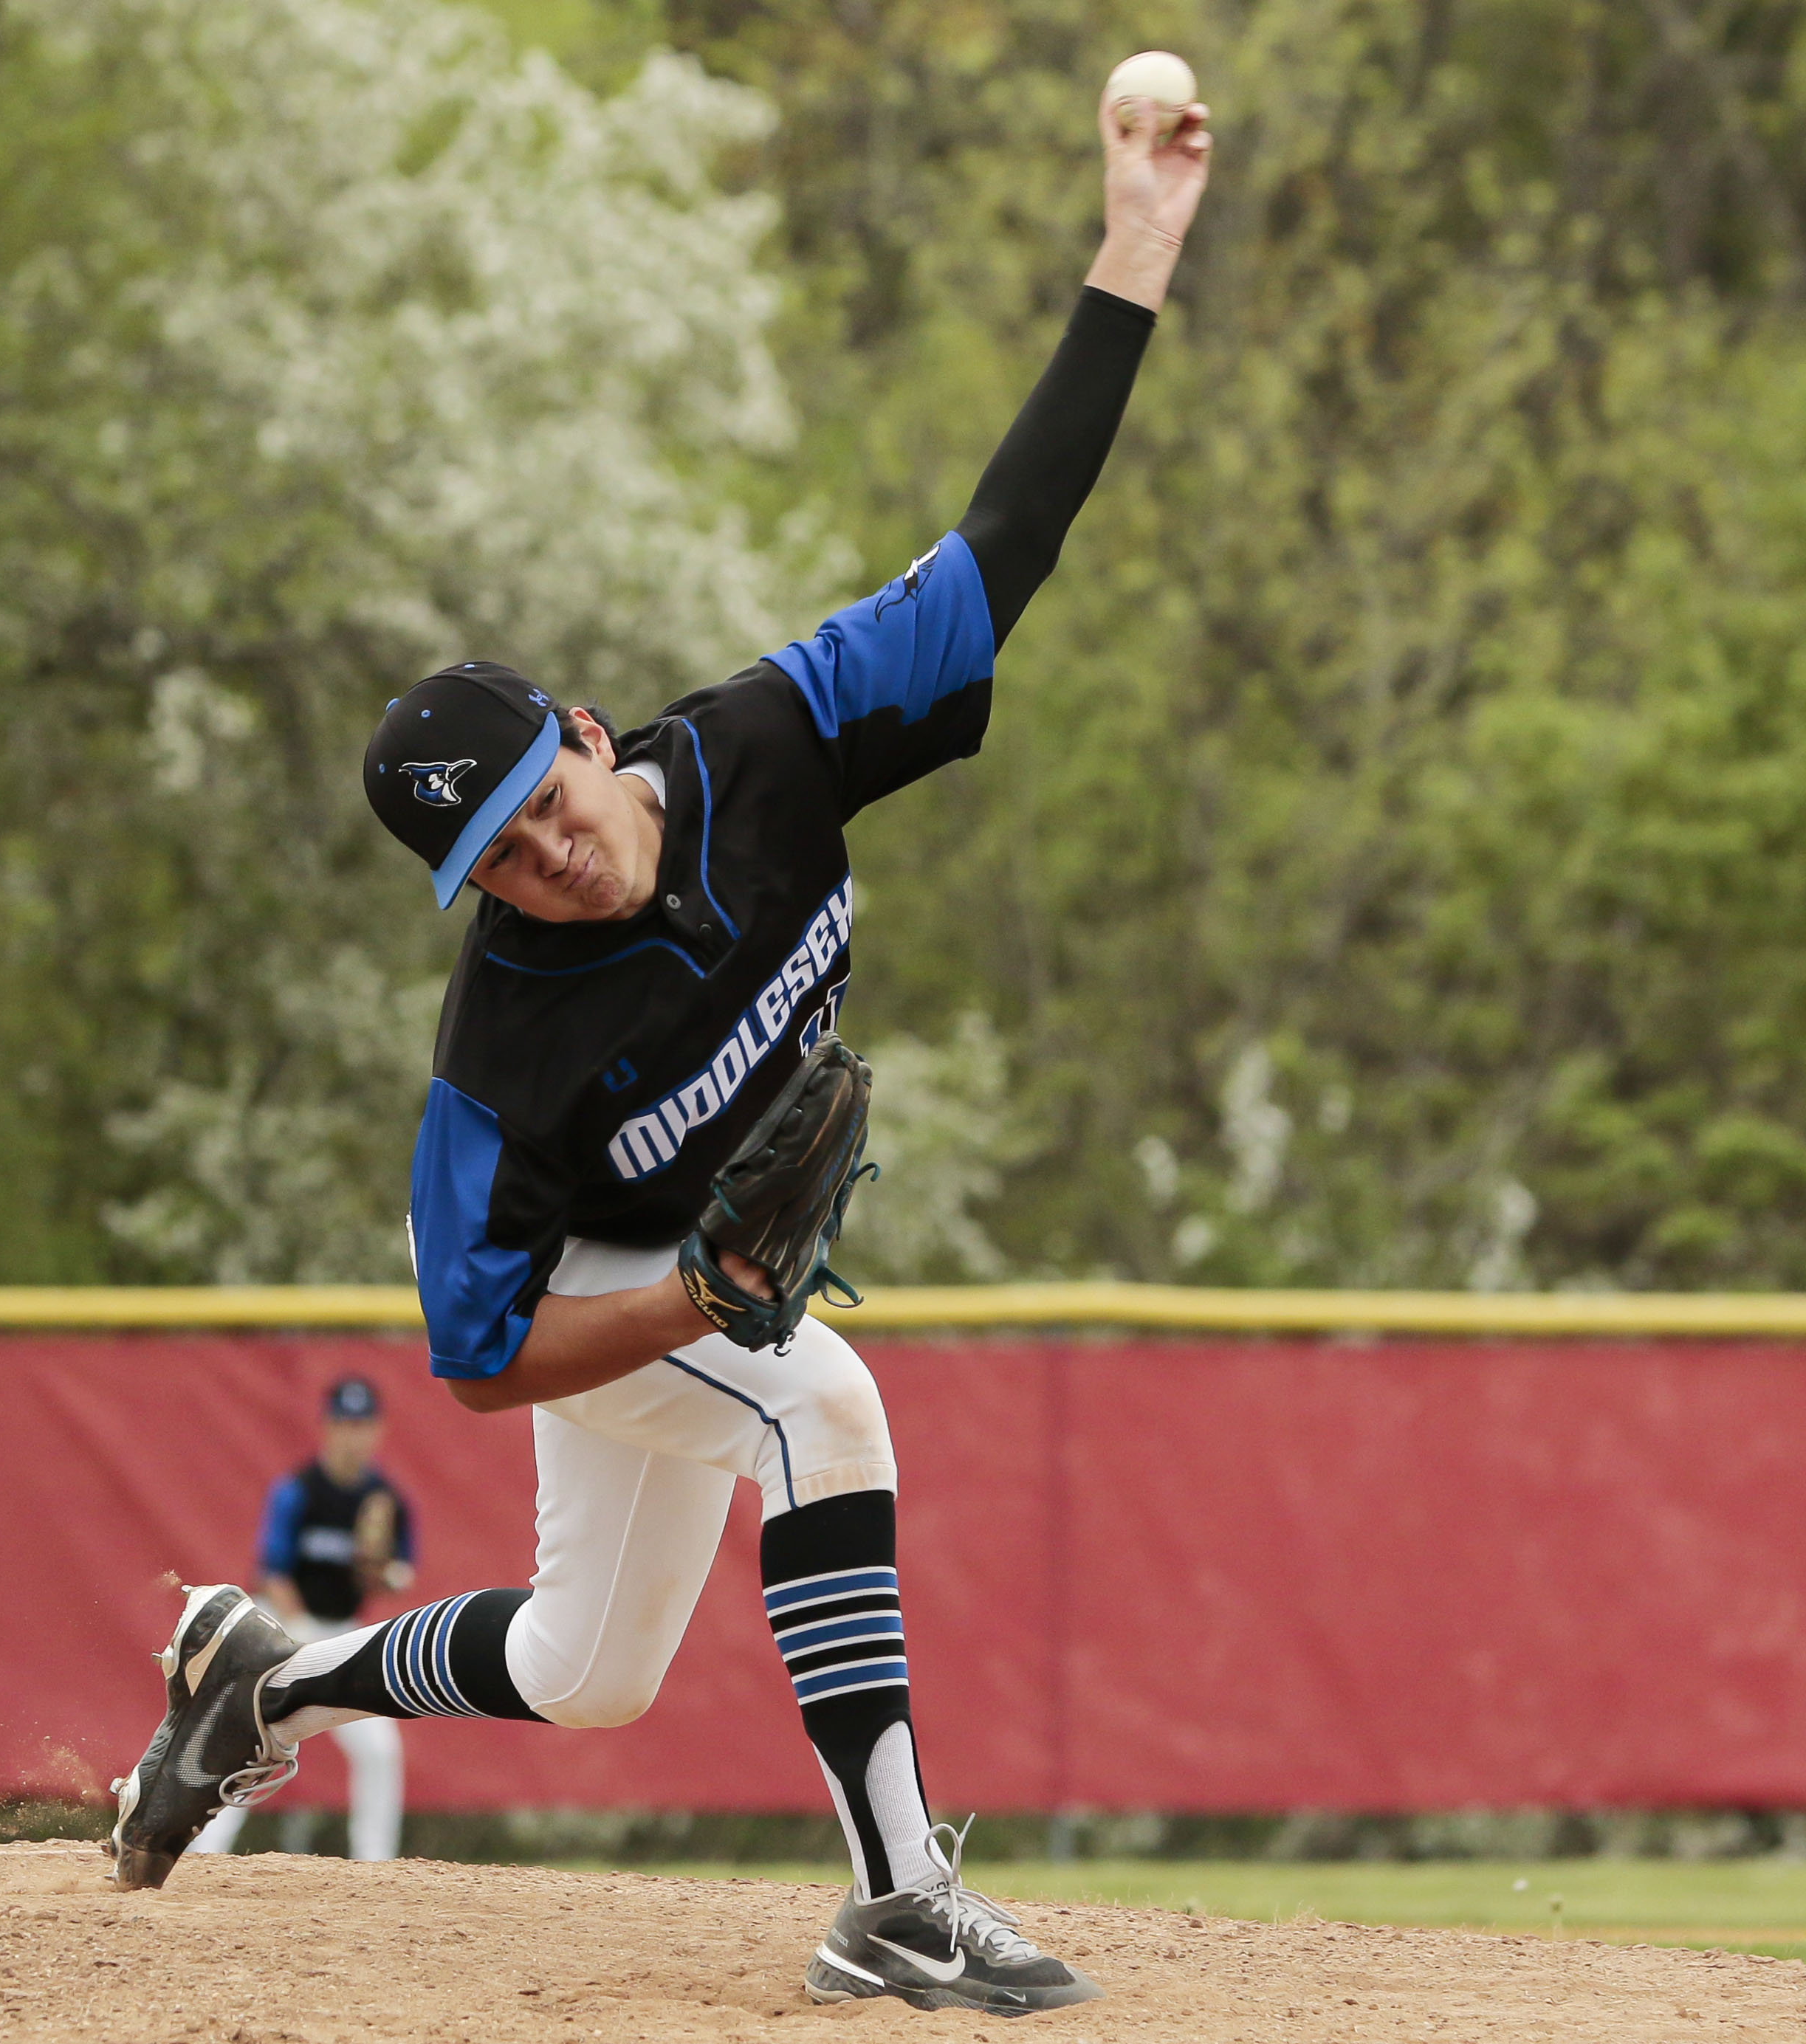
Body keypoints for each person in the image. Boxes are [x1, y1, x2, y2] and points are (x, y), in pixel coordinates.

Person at [106, 78, 1211, 2017]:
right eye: (492, 858)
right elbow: (471, 1355)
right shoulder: (496, 1060)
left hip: (677, 1274)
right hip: (597, 1296)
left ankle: (259, 1673)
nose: (540, 853)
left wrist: (1135, 249)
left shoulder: (776, 747)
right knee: (824, 1404)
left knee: (588, 1671)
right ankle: (899, 1893)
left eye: (540, 796)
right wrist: (697, 1298)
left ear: (591, 734)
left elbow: (1005, 540)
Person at [185, 1376, 415, 1863]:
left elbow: (398, 1576)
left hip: (342, 1632)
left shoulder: (386, 1499)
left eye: (362, 1423)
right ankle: (207, 1855)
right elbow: (272, 1575)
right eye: (344, 1422)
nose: (353, 1433)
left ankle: (376, 1865)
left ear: (378, 1430)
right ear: (327, 1427)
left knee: (379, 1748)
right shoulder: (299, 1491)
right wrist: (305, 1636)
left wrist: (380, 1569)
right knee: (256, 1741)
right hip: (283, 1627)